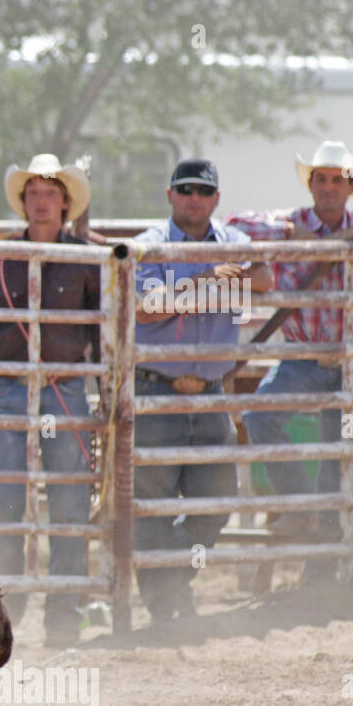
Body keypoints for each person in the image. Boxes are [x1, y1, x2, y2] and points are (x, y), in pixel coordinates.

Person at [226, 141, 353, 578]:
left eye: (335, 179)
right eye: (320, 179)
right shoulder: (291, 222)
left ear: (350, 186)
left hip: (347, 364)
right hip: (302, 359)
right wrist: (292, 236)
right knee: (263, 416)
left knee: (339, 451)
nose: (327, 187)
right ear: (311, 184)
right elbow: (234, 224)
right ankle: (301, 507)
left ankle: (318, 576)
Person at [0, 154, 101, 645]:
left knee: (69, 498)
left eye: (50, 194)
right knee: (3, 498)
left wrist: (103, 389)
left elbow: (101, 332)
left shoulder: (87, 258)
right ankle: (7, 603)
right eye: (34, 194)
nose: (41, 202)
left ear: (65, 204)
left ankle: (64, 610)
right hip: (9, 384)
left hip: (65, 387)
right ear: (24, 203)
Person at [133, 157, 273, 622]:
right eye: (186, 189)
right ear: (170, 195)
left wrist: (188, 291)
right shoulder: (148, 245)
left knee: (217, 499)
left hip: (210, 391)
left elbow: (264, 277)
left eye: (202, 191)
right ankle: (165, 603)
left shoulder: (234, 242)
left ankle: (171, 581)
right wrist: (210, 282)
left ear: (215, 199)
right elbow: (145, 309)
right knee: (149, 502)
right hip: (156, 389)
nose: (194, 198)